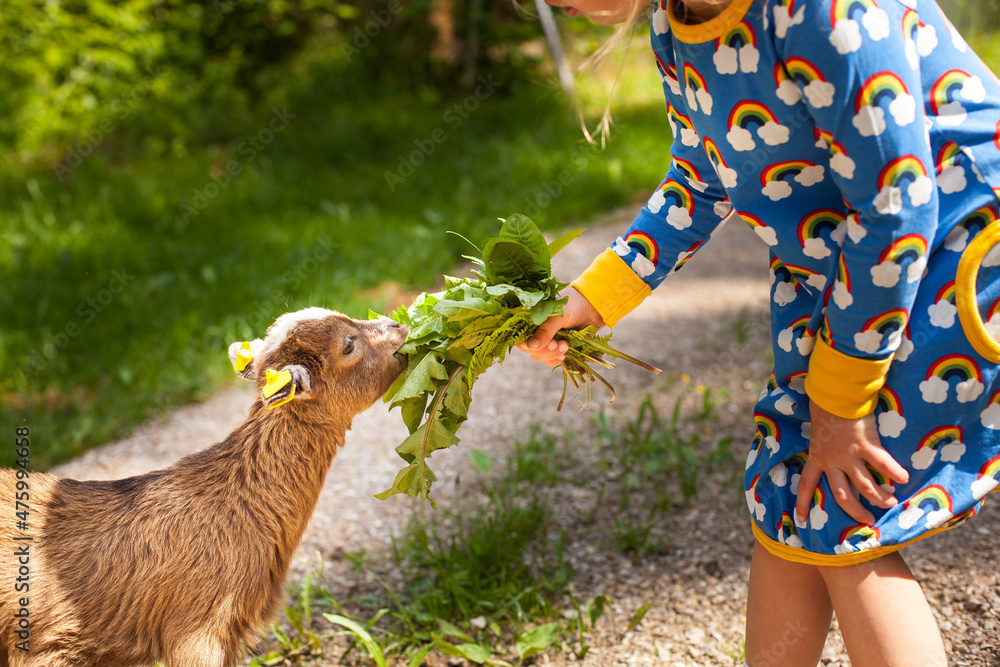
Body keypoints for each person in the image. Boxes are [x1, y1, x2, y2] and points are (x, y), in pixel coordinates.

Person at [518, 0, 1000, 664]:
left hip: (949, 262)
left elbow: (897, 207)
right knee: (789, 491)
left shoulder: (825, 13)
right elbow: (700, 179)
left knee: (847, 514)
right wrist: (590, 298)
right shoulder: (674, 23)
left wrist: (840, 401)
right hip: (845, 271)